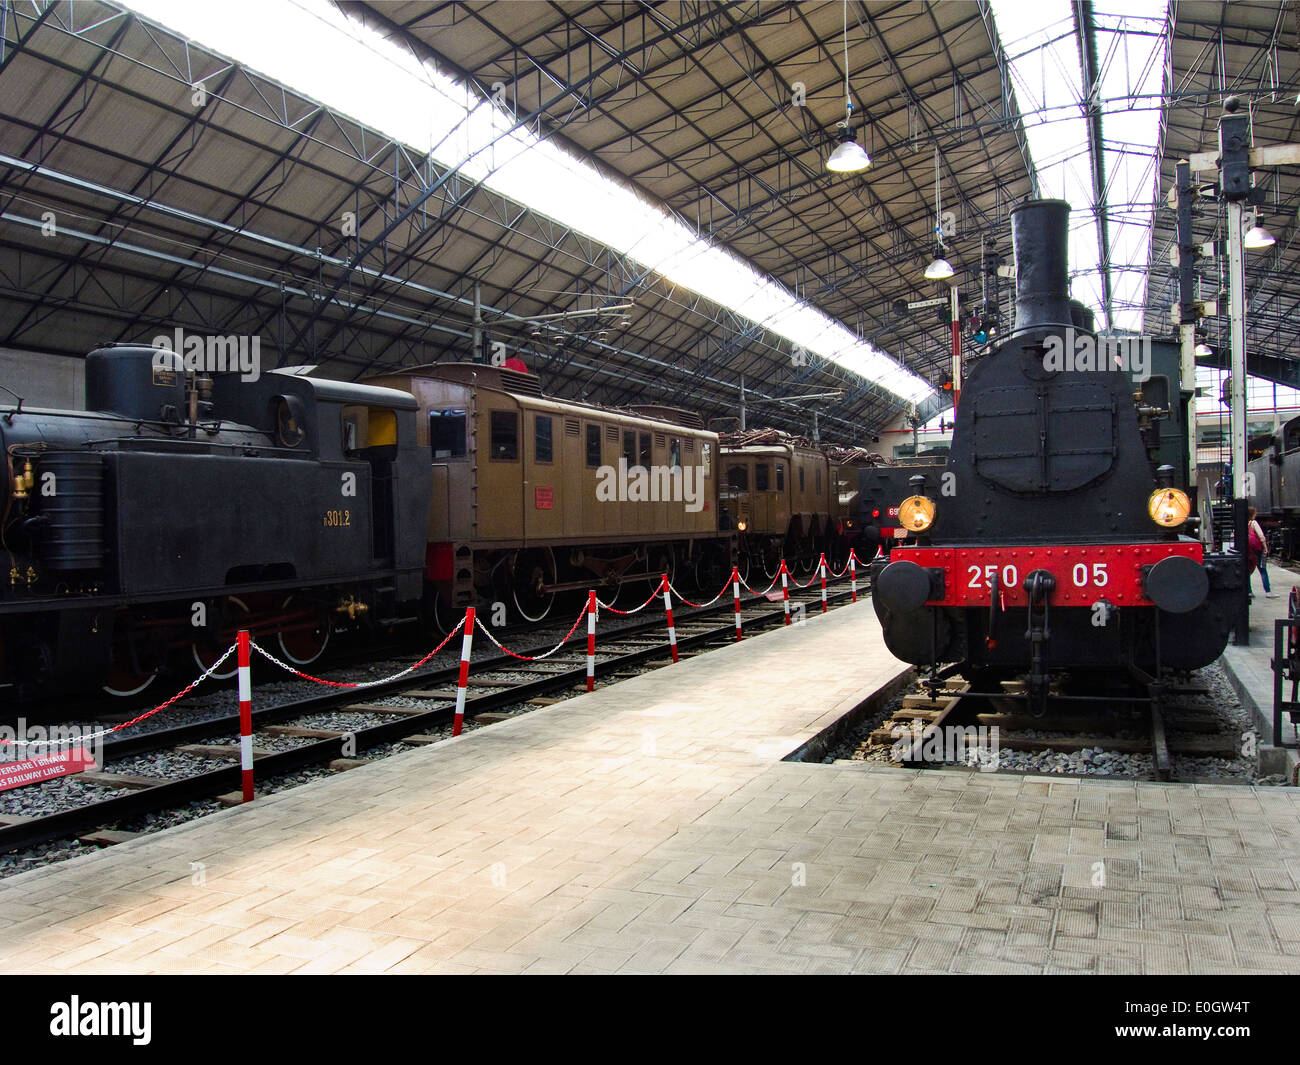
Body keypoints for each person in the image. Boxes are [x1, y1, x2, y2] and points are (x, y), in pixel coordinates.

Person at [1248, 506, 1278, 598]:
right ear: (1253, 514)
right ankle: (1268, 592)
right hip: (1258, 551)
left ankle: (1249, 591)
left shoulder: (1245, 523)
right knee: (1263, 570)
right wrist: (1265, 548)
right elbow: (1261, 536)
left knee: (1248, 571)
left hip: (1249, 551)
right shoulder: (1254, 523)